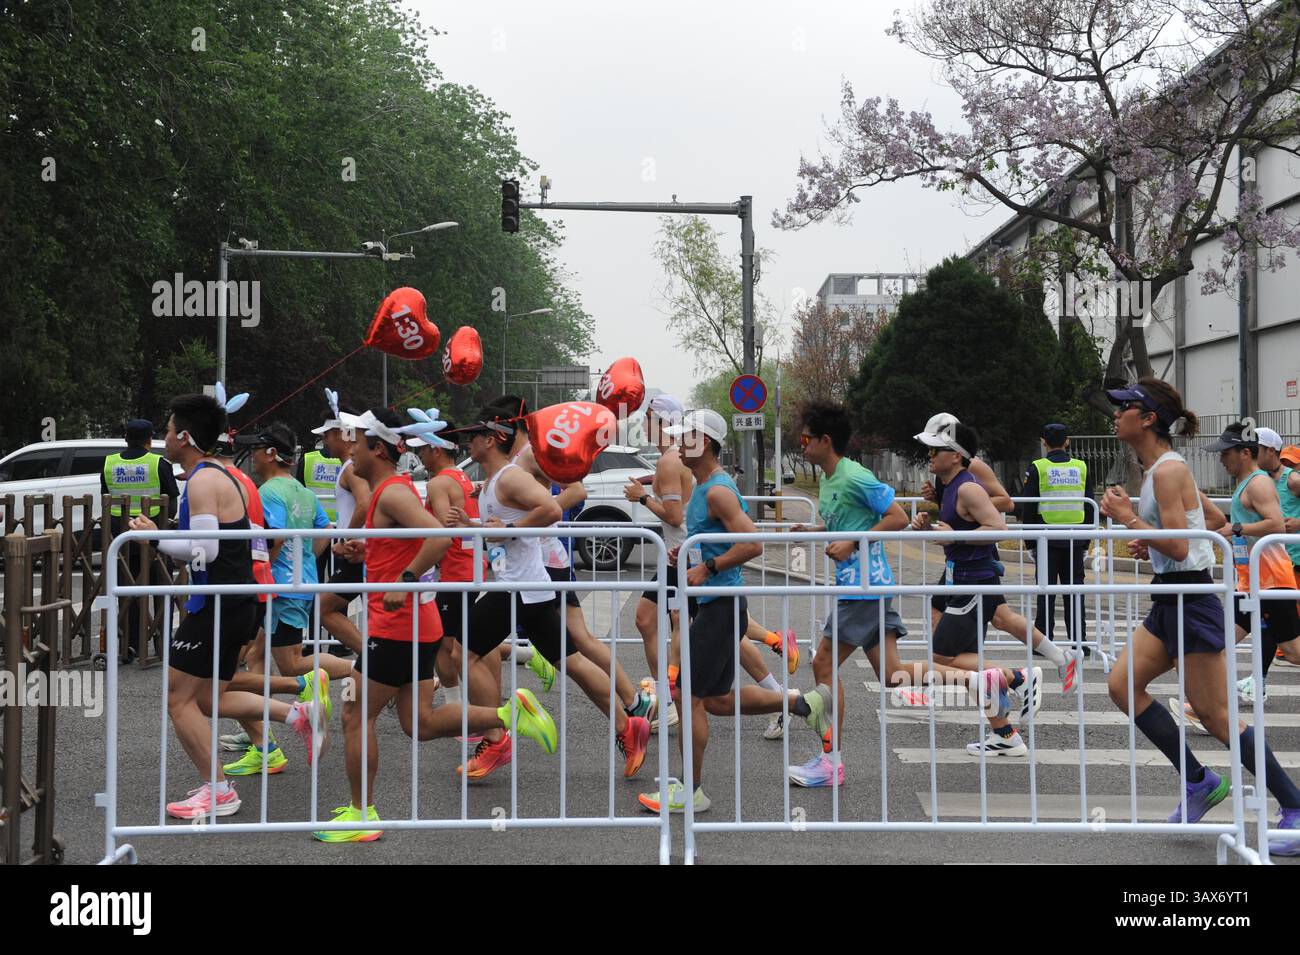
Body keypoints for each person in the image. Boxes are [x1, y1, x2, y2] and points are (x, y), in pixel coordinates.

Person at [315, 409, 557, 842]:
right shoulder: (390, 490)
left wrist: (405, 580)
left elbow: (439, 537)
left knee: (355, 713)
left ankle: (361, 815)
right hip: (413, 622)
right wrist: (363, 552)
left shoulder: (391, 492)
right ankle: (509, 713)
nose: (349, 449)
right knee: (419, 724)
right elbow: (401, 542)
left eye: (358, 442)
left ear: (378, 448)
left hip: (398, 623)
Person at [1099, 380, 1300, 853]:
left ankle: (1293, 805)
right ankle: (1199, 781)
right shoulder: (1159, 470)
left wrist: (1133, 521)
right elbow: (1208, 522)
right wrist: (1150, 536)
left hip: (1192, 602)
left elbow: (1185, 545)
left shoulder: (1167, 472)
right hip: (1171, 597)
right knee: (1122, 686)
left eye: (1124, 408)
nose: (1116, 415)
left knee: (1217, 716)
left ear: (1147, 418)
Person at [127, 394, 325, 819]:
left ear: (183, 436)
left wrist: (154, 537)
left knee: (179, 701)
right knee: (209, 699)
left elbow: (205, 551)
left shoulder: (202, 480)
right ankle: (297, 715)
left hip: (219, 603)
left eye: (167, 429)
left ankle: (217, 790)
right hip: (240, 602)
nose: (163, 437)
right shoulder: (232, 475)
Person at [636, 409, 833, 814]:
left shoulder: (717, 491)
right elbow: (719, 540)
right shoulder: (705, 486)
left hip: (720, 609)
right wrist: (688, 552)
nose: (675, 444)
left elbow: (754, 543)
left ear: (703, 442)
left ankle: (690, 792)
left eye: (683, 437)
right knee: (718, 700)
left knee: (688, 696)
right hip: (718, 607)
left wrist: (707, 567)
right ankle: (802, 703)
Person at [445, 403, 650, 782]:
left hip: (517, 585)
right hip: (526, 584)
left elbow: (550, 510)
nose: (466, 442)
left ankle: (495, 735)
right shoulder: (493, 482)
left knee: (463, 653)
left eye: (472, 436)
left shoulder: (509, 477)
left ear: (491, 439)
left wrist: (508, 530)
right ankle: (628, 726)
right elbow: (503, 526)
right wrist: (472, 523)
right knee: (570, 661)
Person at [480, 395, 655, 727]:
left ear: (503, 427)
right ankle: (632, 703)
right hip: (530, 557)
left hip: (545, 558)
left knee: (576, 643)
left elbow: (576, 492)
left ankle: (631, 702)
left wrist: (528, 519)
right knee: (574, 643)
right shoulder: (509, 463)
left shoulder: (532, 452)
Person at [913, 419, 1074, 756]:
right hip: (963, 577)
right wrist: (925, 525)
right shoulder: (951, 485)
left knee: (942, 657)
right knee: (972, 655)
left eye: (935, 449)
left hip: (973, 581)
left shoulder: (969, 486)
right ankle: (1005, 734)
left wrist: (953, 535)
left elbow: (998, 526)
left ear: (956, 455)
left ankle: (1018, 677)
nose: (929, 455)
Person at [1170, 422, 1299, 727]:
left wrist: (1237, 529)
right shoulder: (1246, 484)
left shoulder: (1258, 483)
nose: (1220, 459)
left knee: (1293, 651)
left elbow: (1277, 524)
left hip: (1271, 581)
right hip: (1250, 581)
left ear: (1244, 453)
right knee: (1220, 642)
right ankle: (1204, 708)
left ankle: (1205, 707)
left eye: (1225, 453)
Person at [403, 413, 486, 703]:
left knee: (444, 645)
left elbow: (441, 530)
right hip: (470, 567)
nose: (419, 456)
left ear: (435, 449)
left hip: (456, 572)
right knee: (465, 642)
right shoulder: (462, 477)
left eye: (421, 449)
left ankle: (458, 709)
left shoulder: (439, 484)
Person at [102, 418, 181, 661]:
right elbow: (172, 502)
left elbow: (107, 499)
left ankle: (131, 645)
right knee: (161, 589)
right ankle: (163, 644)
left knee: (128, 594)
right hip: (154, 537)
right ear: (149, 439)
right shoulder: (158, 463)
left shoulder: (109, 463)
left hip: (122, 539)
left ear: (125, 437)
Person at [1018, 423, 1092, 653]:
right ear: (1067, 441)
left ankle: (1044, 642)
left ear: (1044, 442)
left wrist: (1029, 543)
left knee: (1045, 592)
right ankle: (1079, 641)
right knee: (1075, 591)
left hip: (1045, 539)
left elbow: (1028, 509)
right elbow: (1089, 506)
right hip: (1075, 538)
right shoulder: (1081, 467)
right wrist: (1086, 542)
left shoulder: (1038, 467)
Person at [311, 400, 373, 657]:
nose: (325, 441)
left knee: (323, 607)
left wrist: (346, 536)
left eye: (326, 435)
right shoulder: (349, 467)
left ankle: (373, 659)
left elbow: (364, 502)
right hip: (358, 550)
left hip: (358, 552)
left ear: (341, 433)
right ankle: (374, 658)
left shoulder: (351, 469)